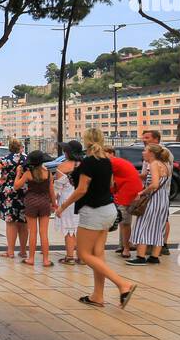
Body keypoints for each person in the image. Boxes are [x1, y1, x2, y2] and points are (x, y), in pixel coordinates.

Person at [54, 127, 137, 309]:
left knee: (83, 254)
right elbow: (111, 184)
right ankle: (97, 296)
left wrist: (62, 207)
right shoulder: (106, 160)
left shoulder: (89, 162)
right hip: (108, 209)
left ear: (86, 140)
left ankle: (123, 285)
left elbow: (82, 189)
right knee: (98, 254)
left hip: (93, 211)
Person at [127, 143, 173, 265]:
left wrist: (141, 192)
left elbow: (154, 184)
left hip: (153, 199)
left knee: (144, 225)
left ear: (151, 153)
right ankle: (154, 257)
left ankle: (140, 257)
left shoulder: (153, 164)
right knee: (158, 227)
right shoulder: (165, 164)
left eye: (145, 150)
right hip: (163, 199)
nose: (143, 152)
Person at [14, 150, 57, 266]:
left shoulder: (28, 173)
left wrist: (18, 173)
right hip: (44, 203)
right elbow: (51, 191)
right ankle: (46, 260)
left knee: (32, 232)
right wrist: (54, 204)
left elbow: (16, 186)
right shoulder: (48, 173)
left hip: (31, 203)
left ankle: (31, 259)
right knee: (44, 233)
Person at [0, 139, 27, 259]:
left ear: (10, 147)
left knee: (11, 223)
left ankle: (10, 252)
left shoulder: (5, 159)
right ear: (21, 147)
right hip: (24, 191)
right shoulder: (27, 159)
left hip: (9, 193)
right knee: (23, 223)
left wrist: (0, 181)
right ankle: (23, 251)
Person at [53, 139, 83, 264]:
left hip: (67, 201)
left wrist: (53, 202)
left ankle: (70, 256)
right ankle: (82, 257)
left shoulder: (62, 166)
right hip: (82, 199)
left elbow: (57, 189)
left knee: (69, 229)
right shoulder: (85, 164)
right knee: (81, 229)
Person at [110, 150, 142, 259]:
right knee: (124, 221)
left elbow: (108, 181)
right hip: (131, 191)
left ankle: (126, 249)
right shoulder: (119, 161)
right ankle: (125, 245)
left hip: (127, 193)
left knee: (125, 223)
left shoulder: (111, 162)